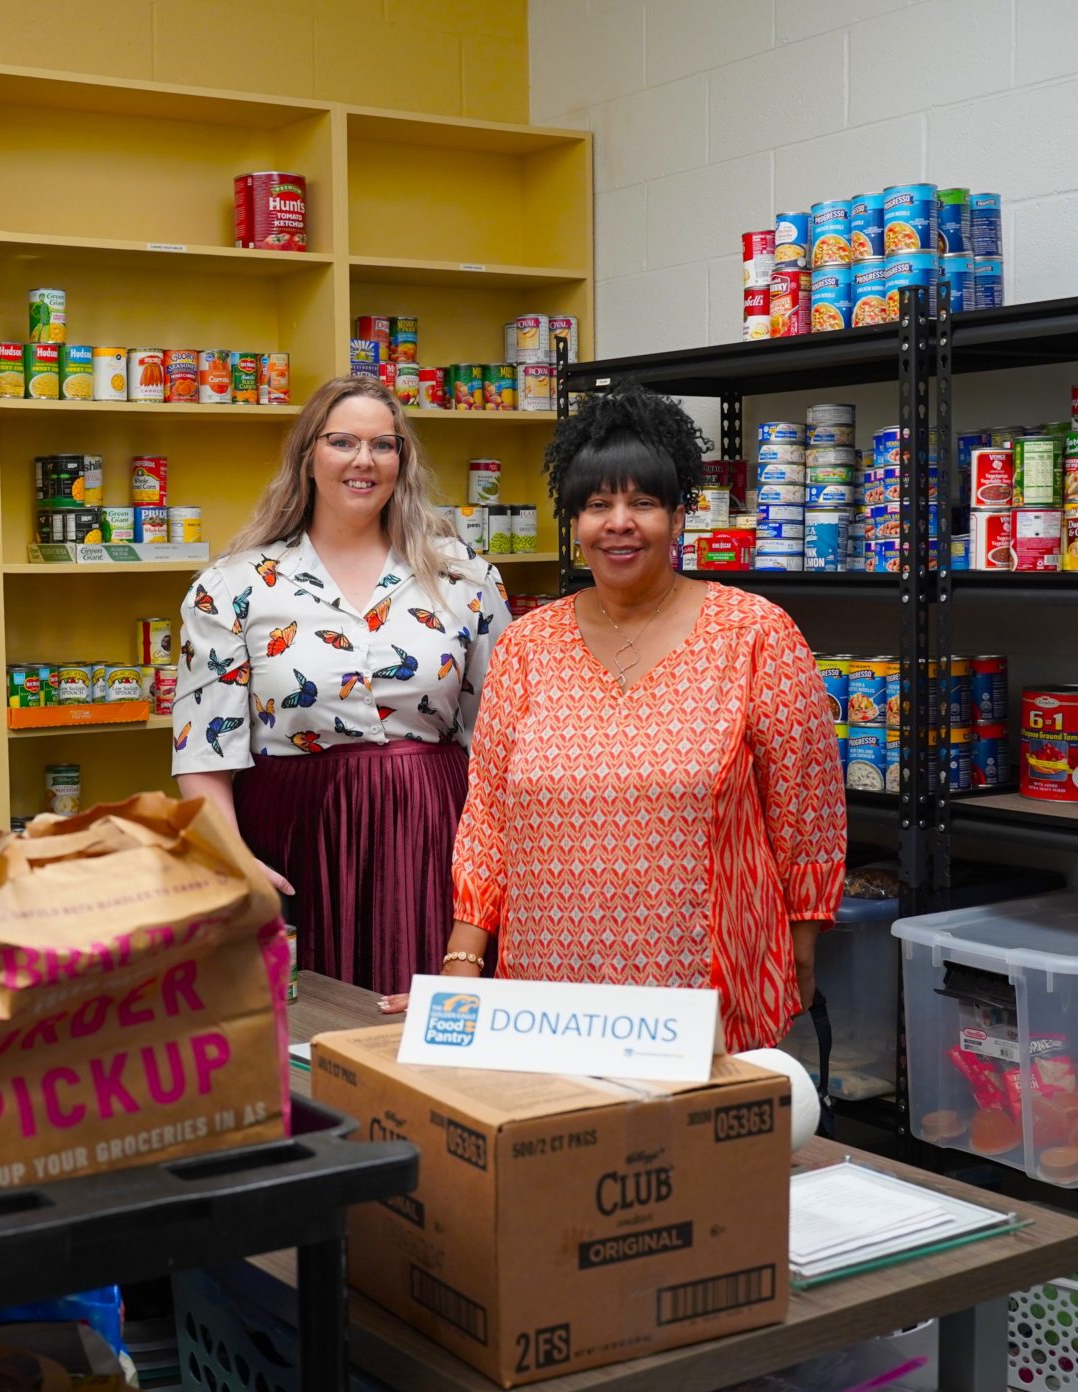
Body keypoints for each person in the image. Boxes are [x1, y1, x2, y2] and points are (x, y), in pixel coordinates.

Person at [399, 385, 845, 1054]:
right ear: (573, 521)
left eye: (642, 503)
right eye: (597, 505)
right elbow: (488, 812)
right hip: (547, 999)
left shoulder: (753, 633)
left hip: (704, 995)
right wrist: (465, 960)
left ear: (678, 516)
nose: (619, 523)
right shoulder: (528, 646)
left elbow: (805, 808)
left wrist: (802, 946)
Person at [174, 374, 507, 992]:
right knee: (306, 1032)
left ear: (401, 461)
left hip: (431, 831)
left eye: (384, 445)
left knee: (427, 1024)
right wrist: (233, 859)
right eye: (342, 442)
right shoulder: (235, 585)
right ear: (308, 455)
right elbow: (203, 751)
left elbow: (498, 737)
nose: (364, 461)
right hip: (293, 837)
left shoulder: (464, 578)